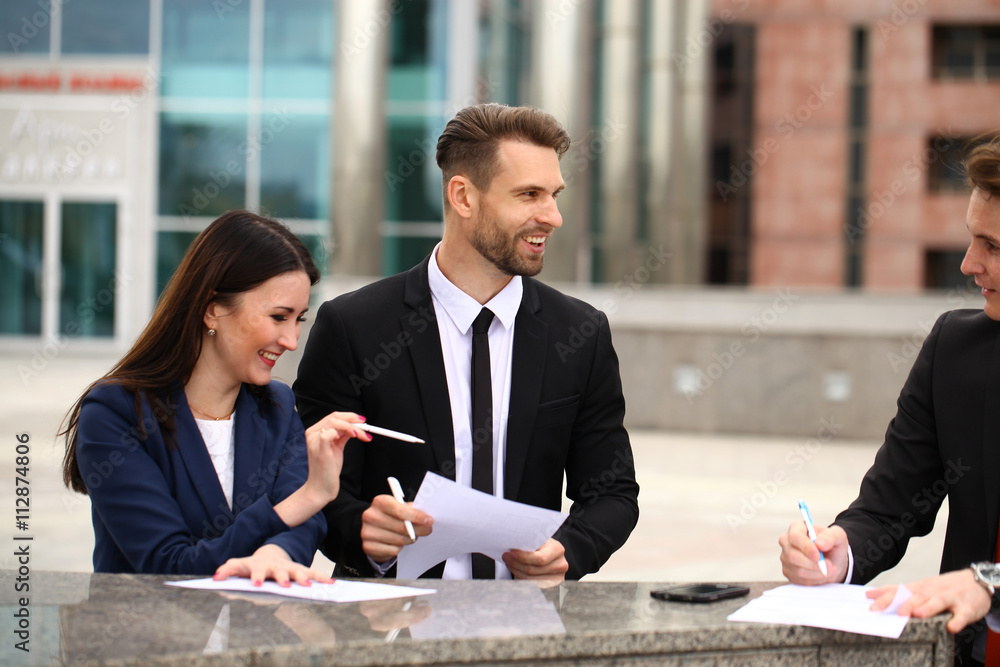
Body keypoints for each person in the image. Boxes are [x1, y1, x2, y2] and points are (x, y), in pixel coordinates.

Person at [294, 103, 639, 582]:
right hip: (388, 632)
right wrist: (363, 533)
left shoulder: (580, 333)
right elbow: (311, 490)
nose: (553, 216)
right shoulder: (353, 326)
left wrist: (568, 551)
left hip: (523, 630)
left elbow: (613, 493)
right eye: (529, 195)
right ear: (463, 196)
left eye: (554, 194)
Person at [779, 134, 1000, 665]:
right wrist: (839, 554)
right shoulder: (953, 349)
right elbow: (890, 508)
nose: (969, 264)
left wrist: (990, 583)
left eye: (993, 246)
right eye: (973, 240)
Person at [61, 210, 371, 585]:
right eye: (278, 317)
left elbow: (301, 528)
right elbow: (170, 566)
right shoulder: (115, 412)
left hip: (251, 638)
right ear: (212, 310)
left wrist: (275, 553)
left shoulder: (277, 407)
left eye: (299, 319)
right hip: (148, 640)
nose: (291, 341)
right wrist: (307, 497)